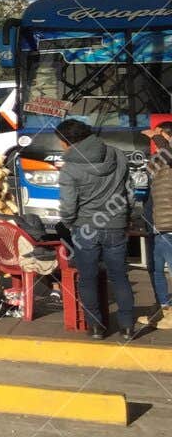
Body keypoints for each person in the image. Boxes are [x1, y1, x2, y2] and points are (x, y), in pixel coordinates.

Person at [56, 118, 137, 340]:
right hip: (116, 224)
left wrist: (70, 223)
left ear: (67, 142)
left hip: (85, 227)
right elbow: (128, 193)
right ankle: (128, 327)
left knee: (88, 278)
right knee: (120, 276)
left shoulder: (70, 168)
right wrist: (127, 218)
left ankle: (95, 328)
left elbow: (68, 206)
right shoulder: (117, 155)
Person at [140, 123, 172, 327]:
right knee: (156, 268)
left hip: (168, 225)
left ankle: (168, 313)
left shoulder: (167, 154)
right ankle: (164, 308)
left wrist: (157, 137)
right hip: (159, 223)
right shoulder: (161, 159)